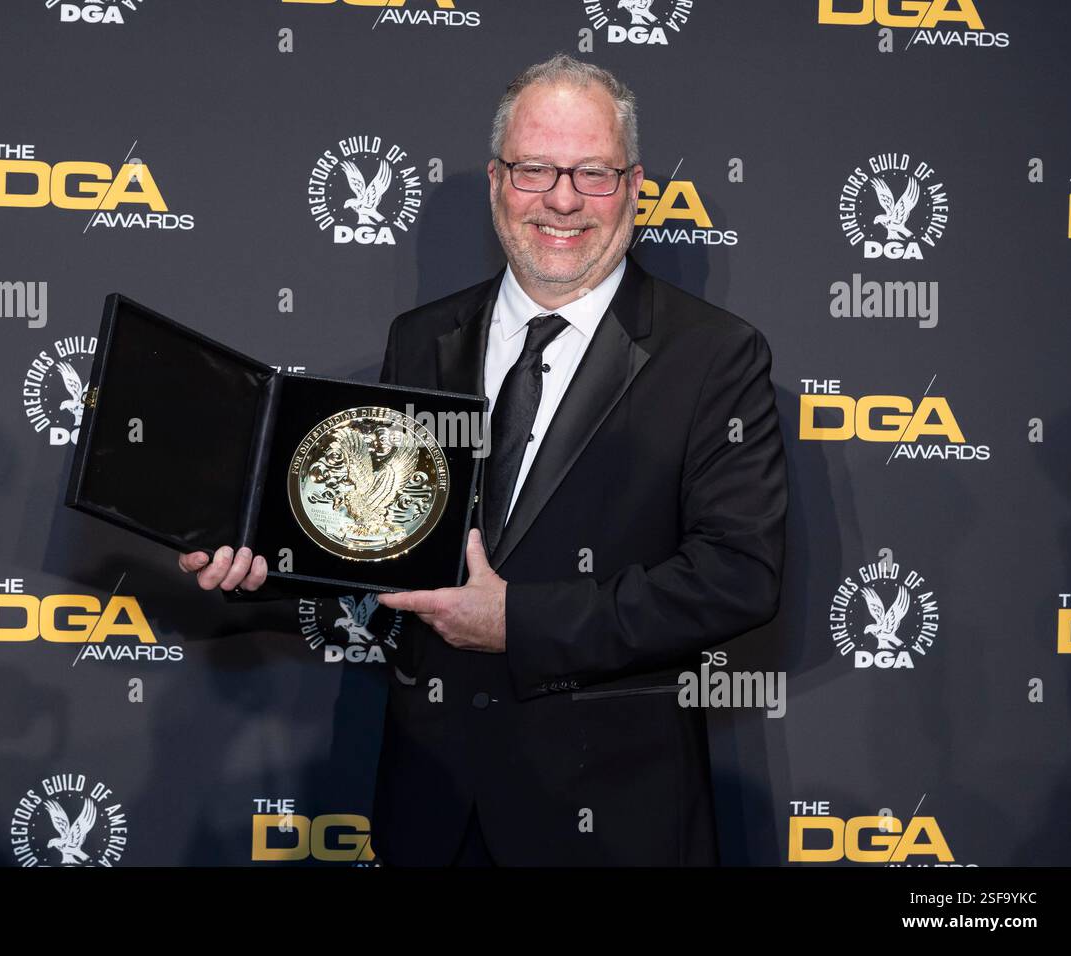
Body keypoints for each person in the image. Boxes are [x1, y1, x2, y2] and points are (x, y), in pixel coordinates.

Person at [179, 53, 787, 866]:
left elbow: (736, 575)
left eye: (592, 174)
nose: (562, 199)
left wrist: (518, 622)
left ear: (634, 189)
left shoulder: (713, 354)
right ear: (499, 181)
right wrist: (266, 556)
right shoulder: (421, 337)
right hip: (431, 803)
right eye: (536, 169)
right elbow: (379, 538)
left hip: (613, 817)